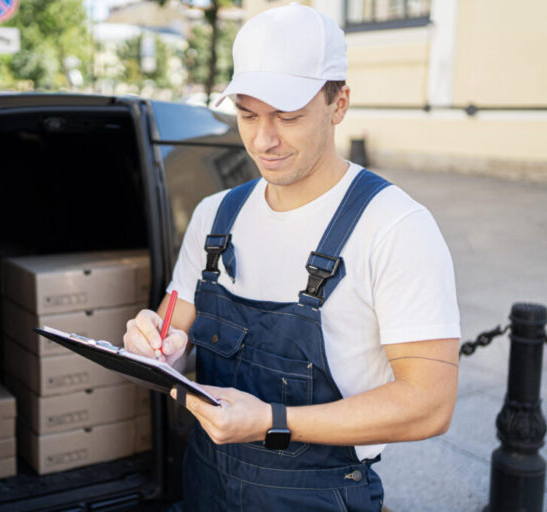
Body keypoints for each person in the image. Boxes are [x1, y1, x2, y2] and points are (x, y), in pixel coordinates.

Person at [123, 3, 460, 510]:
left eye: (288, 116)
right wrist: (156, 345)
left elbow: (429, 405)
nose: (263, 139)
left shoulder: (395, 228)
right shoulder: (215, 217)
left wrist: (271, 421)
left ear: (339, 103)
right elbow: (178, 328)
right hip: (206, 481)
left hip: (316, 497)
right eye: (247, 114)